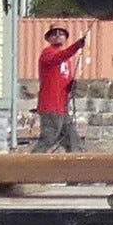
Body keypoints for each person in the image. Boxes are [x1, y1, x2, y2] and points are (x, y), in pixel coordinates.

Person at [32, 24, 90, 153]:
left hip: (62, 108)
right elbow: (59, 57)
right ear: (48, 39)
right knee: (48, 139)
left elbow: (63, 81)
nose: (58, 35)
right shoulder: (47, 53)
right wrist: (76, 46)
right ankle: (30, 165)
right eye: (54, 33)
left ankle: (76, 168)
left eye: (61, 33)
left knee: (73, 141)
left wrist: (71, 86)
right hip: (50, 107)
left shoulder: (67, 60)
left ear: (65, 37)